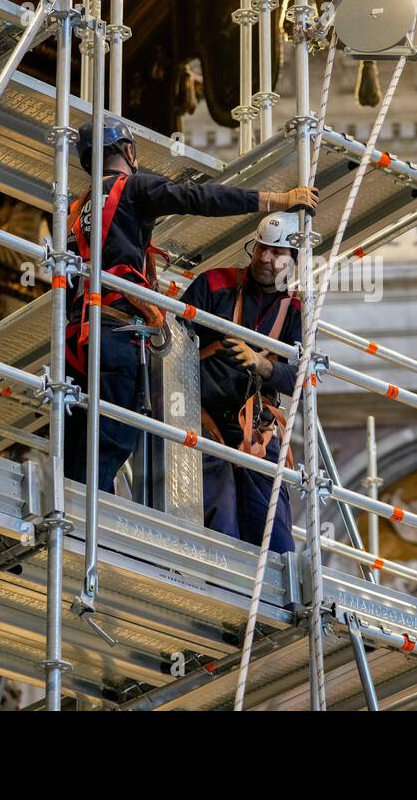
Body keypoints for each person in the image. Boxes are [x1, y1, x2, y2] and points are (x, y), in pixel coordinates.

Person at [64, 118, 317, 493]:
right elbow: (199, 198)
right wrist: (276, 199)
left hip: (80, 334)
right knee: (114, 435)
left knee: (81, 435)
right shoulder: (133, 188)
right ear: (128, 152)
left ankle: (69, 506)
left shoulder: (78, 209)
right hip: (118, 332)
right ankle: (89, 520)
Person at [180, 212, 303, 553]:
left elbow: (303, 381)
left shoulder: (296, 312)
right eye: (261, 248)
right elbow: (172, 342)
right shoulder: (214, 285)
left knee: (273, 526)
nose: (265, 258)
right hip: (199, 415)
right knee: (221, 510)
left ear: (294, 260)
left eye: (276, 253)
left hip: (254, 427)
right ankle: (222, 581)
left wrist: (263, 365)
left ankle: (277, 597)